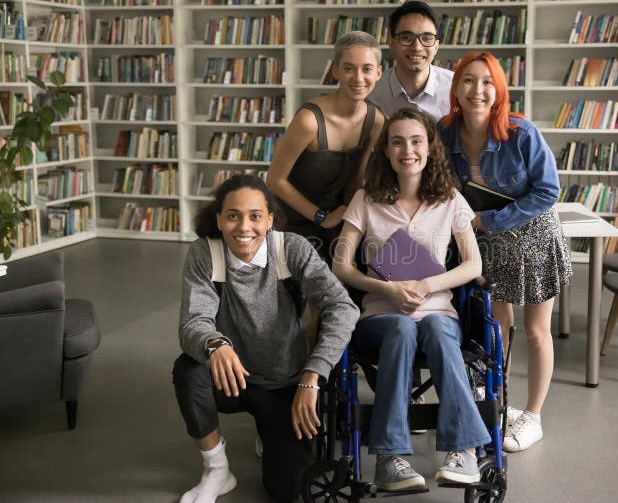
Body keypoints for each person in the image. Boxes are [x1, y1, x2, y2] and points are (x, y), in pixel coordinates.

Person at [172, 174, 359, 503]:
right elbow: (193, 322)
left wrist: (312, 375)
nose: (244, 227)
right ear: (219, 219)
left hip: (285, 383)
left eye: (255, 216)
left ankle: (268, 429)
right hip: (231, 378)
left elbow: (343, 307)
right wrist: (215, 343)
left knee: (287, 491)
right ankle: (216, 470)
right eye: (233, 215)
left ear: (270, 218)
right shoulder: (205, 253)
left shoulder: (292, 249)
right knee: (188, 370)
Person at [333, 108, 490, 491]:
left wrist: (426, 285)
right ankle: (390, 459)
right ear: (385, 150)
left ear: (430, 147)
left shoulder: (450, 200)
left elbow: (473, 264)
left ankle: (464, 451)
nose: (408, 150)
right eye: (398, 141)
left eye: (417, 141)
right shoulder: (365, 200)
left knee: (436, 326)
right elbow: (341, 266)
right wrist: (387, 289)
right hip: (379, 317)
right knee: (402, 328)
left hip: (437, 311)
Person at [437, 51, 573, 453]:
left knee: (535, 330)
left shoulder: (521, 132)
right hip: (488, 245)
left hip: (533, 238)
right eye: (468, 81)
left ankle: (533, 416)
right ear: (455, 88)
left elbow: (549, 191)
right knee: (497, 329)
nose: (477, 90)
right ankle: (502, 403)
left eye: (486, 82)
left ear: (498, 90)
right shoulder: (444, 133)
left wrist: (488, 220)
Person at [267, 30, 384, 264]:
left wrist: (350, 225)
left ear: (379, 73)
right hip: (293, 218)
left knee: (379, 261)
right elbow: (274, 180)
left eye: (367, 69)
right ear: (335, 71)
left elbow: (356, 178)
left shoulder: (376, 120)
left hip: (336, 217)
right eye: (349, 68)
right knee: (319, 280)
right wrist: (322, 217)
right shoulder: (309, 120)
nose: (358, 78)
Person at [368, 0, 453, 121]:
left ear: (436, 46)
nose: (417, 47)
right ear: (391, 42)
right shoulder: (372, 93)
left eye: (426, 38)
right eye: (407, 37)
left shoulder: (456, 88)